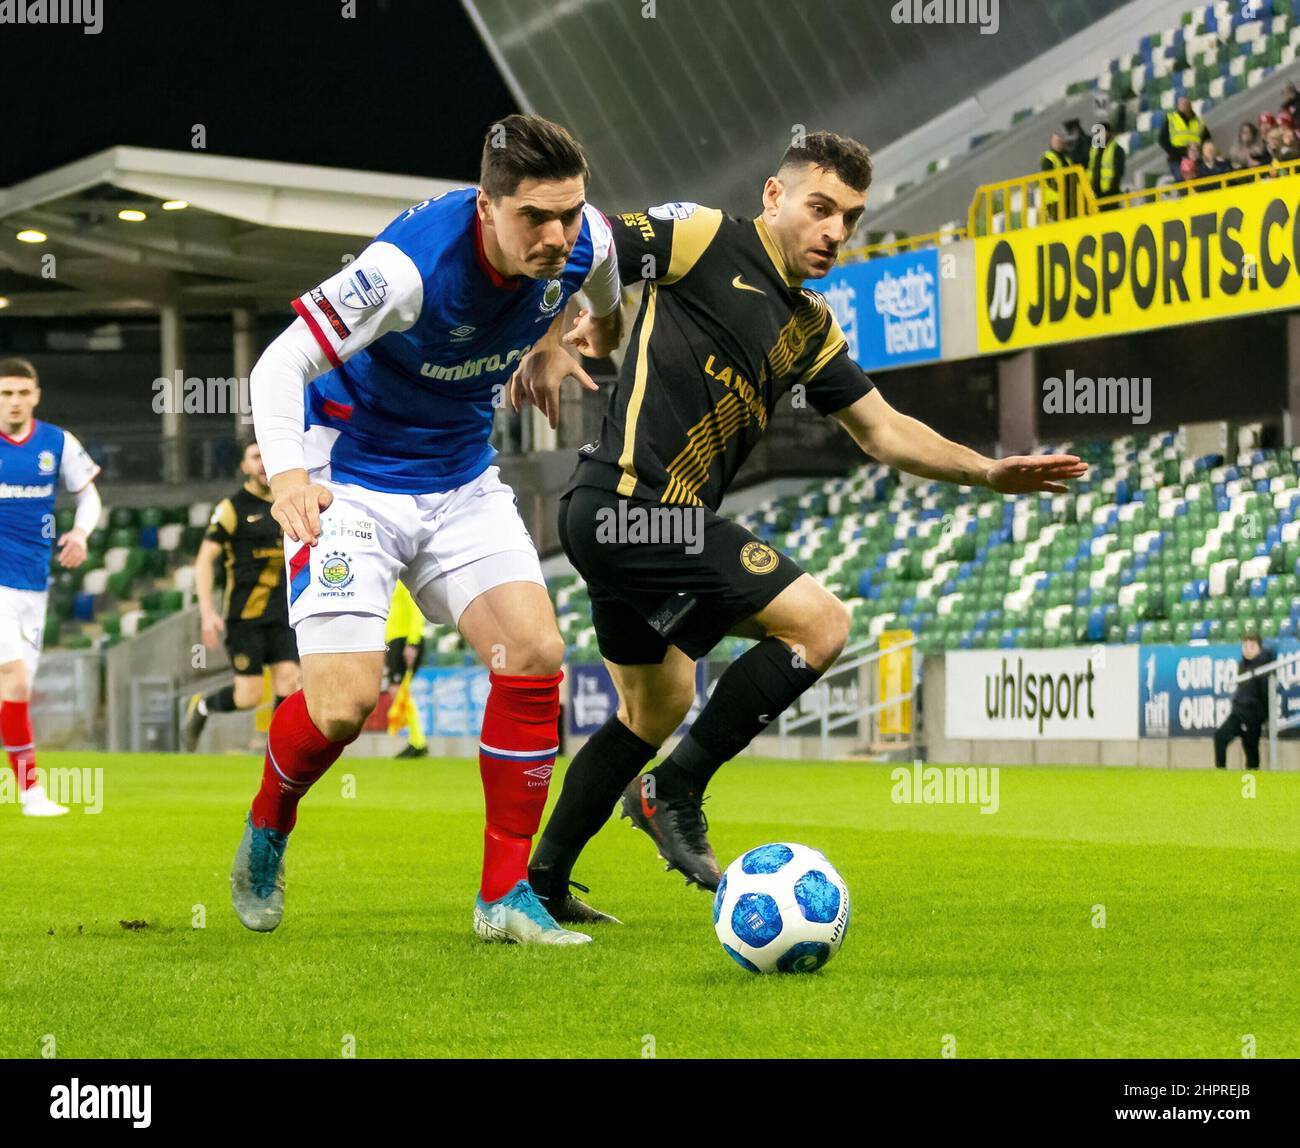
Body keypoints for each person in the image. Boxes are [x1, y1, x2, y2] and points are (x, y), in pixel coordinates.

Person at [523, 131, 1088, 922]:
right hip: (625, 505)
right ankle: (673, 790)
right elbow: (577, 238)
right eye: (820, 208)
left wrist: (988, 471)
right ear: (774, 195)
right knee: (820, 624)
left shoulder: (811, 325)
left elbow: (883, 431)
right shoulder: (703, 236)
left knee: (656, 705)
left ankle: (541, 884)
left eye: (850, 219)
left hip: (637, 523)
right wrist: (555, 335)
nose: (834, 232)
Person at [237, 114, 624, 945]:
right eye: (534, 219)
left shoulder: (588, 239)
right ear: (487, 207)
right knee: (343, 707)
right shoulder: (408, 269)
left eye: (570, 213)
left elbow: (607, 311)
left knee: (536, 652)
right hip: (349, 481)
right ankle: (270, 824)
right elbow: (280, 362)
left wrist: (558, 345)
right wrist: (291, 476)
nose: (558, 236)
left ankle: (502, 898)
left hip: (459, 478)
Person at [0, 358, 103, 817]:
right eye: (5, 394)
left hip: (33, 583)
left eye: (22, 392)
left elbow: (89, 496)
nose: (15, 402)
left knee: (16, 690)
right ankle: (32, 792)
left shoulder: (57, 443)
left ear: (36, 395)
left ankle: (27, 792)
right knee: (14, 679)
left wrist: (80, 534)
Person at [183, 441, 299, 751]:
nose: (262, 463)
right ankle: (203, 706)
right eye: (255, 457)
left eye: (267, 456)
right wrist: (208, 613)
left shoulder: (290, 501)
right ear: (244, 466)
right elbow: (205, 559)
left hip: (285, 614)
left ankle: (279, 755)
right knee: (248, 697)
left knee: (289, 681)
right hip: (245, 616)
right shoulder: (232, 508)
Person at [1214, 633, 1273, 770]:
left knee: (1251, 751)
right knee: (1220, 737)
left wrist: (1262, 716)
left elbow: (1264, 693)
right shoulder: (1242, 665)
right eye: (1245, 646)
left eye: (1252, 646)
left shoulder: (1263, 667)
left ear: (1259, 648)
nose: (1247, 649)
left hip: (1252, 715)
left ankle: (1253, 782)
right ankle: (1220, 774)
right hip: (1239, 712)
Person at [384, 580, 428, 759]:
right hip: (395, 641)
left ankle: (418, 742)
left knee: (399, 690)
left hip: (404, 640)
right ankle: (416, 741)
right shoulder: (392, 581)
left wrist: (413, 642)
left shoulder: (403, 581)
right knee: (400, 691)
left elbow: (417, 610)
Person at [1160, 96, 1209, 181]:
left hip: (1196, 158)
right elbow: (1162, 139)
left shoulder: (1198, 122)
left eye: (1187, 104)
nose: (1185, 106)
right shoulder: (1171, 119)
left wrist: (1199, 150)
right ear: (1177, 106)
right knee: (1182, 181)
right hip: (1177, 158)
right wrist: (1175, 153)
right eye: (1182, 104)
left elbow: (1207, 139)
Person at [1086, 123, 1125, 207]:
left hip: (1110, 192)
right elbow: (1091, 168)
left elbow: (1118, 171)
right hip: (1095, 192)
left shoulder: (1116, 149)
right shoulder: (1094, 150)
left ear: (1108, 133)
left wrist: (1113, 188)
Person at [1040, 131, 1069, 221]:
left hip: (1065, 197)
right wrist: (1061, 189)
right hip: (1055, 199)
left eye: (1060, 141)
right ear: (1051, 143)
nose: (1059, 143)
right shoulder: (1048, 158)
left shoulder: (1065, 157)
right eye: (1057, 141)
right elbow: (1049, 178)